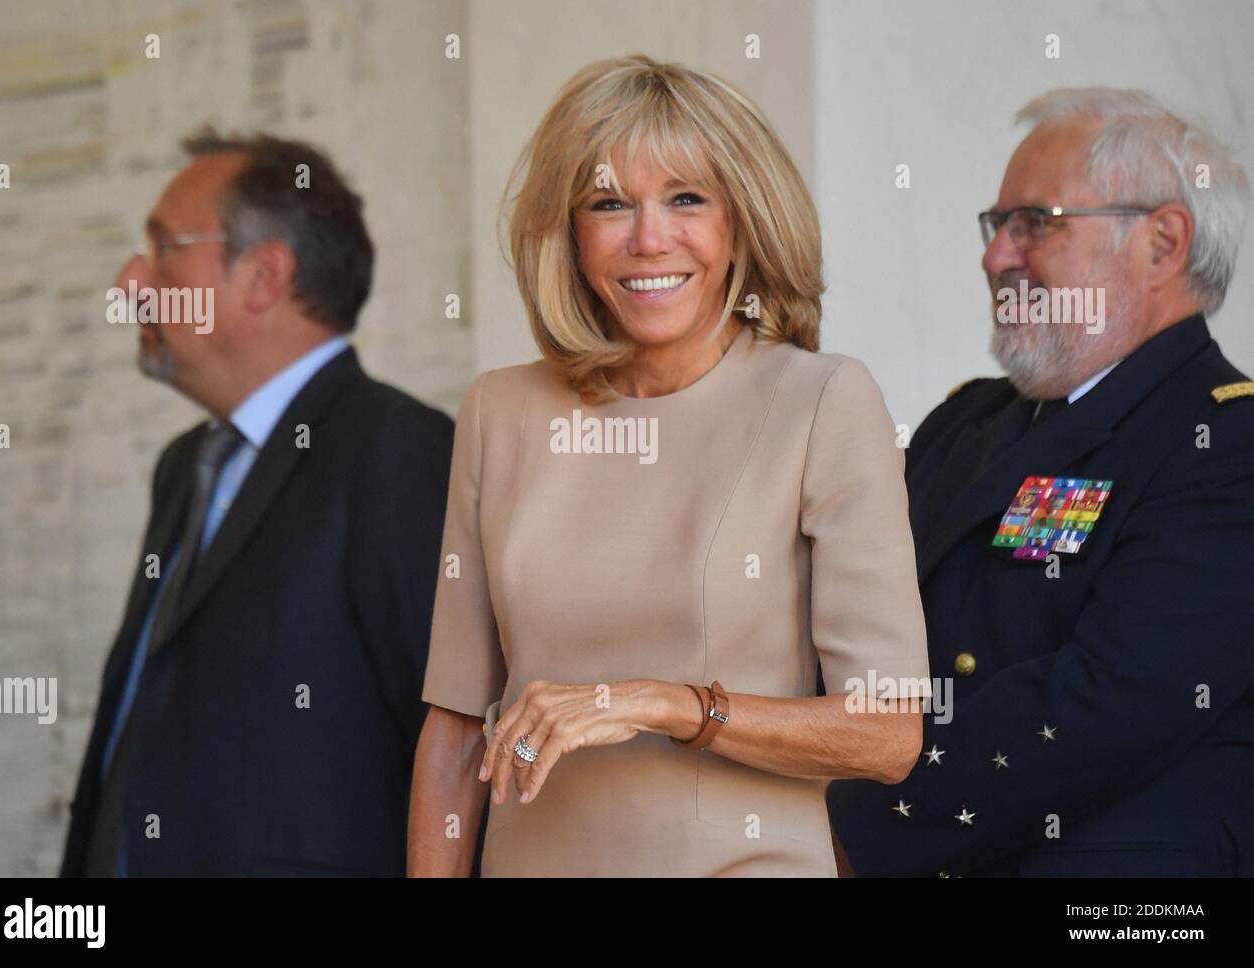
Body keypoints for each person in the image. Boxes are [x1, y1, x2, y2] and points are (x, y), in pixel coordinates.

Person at [408, 54, 931, 878]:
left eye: (687, 199)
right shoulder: (498, 411)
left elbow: (890, 735)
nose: (649, 239)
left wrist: (660, 702)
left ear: (739, 223)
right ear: (570, 236)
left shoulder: (822, 399)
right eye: (609, 204)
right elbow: (456, 725)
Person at [827, 88, 1254, 876]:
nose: (996, 257)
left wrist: (851, 823)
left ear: (1162, 244)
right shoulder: (965, 423)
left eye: (1036, 223)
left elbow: (1105, 708)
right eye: (997, 227)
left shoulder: (1227, 443)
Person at [61, 129, 453, 876]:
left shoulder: (397, 452)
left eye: (164, 247)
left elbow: (460, 750)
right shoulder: (187, 467)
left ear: (265, 276)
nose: (130, 281)